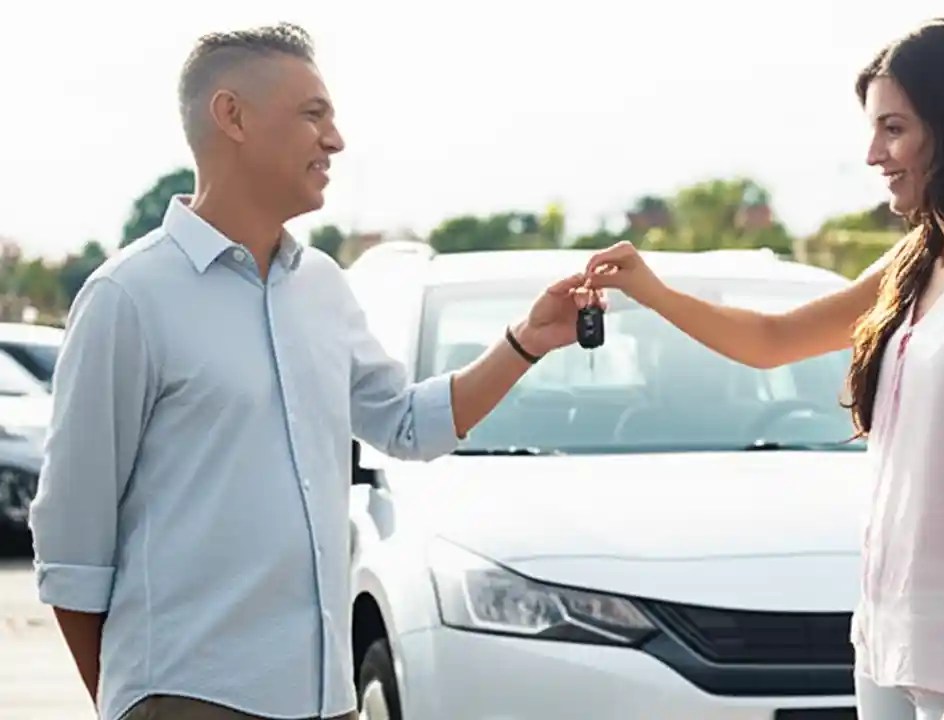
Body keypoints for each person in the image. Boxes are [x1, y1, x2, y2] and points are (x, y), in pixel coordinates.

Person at [27, 23, 596, 720]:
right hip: (189, 697)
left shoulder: (321, 286)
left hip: (326, 699)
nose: (335, 140)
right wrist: (132, 704)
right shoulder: (129, 299)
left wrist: (526, 342)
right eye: (312, 114)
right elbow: (71, 544)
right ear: (232, 116)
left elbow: (408, 425)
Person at [580, 18, 944, 720]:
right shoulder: (917, 262)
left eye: (894, 129)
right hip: (882, 643)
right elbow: (771, 339)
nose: (874, 154)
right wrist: (651, 289)